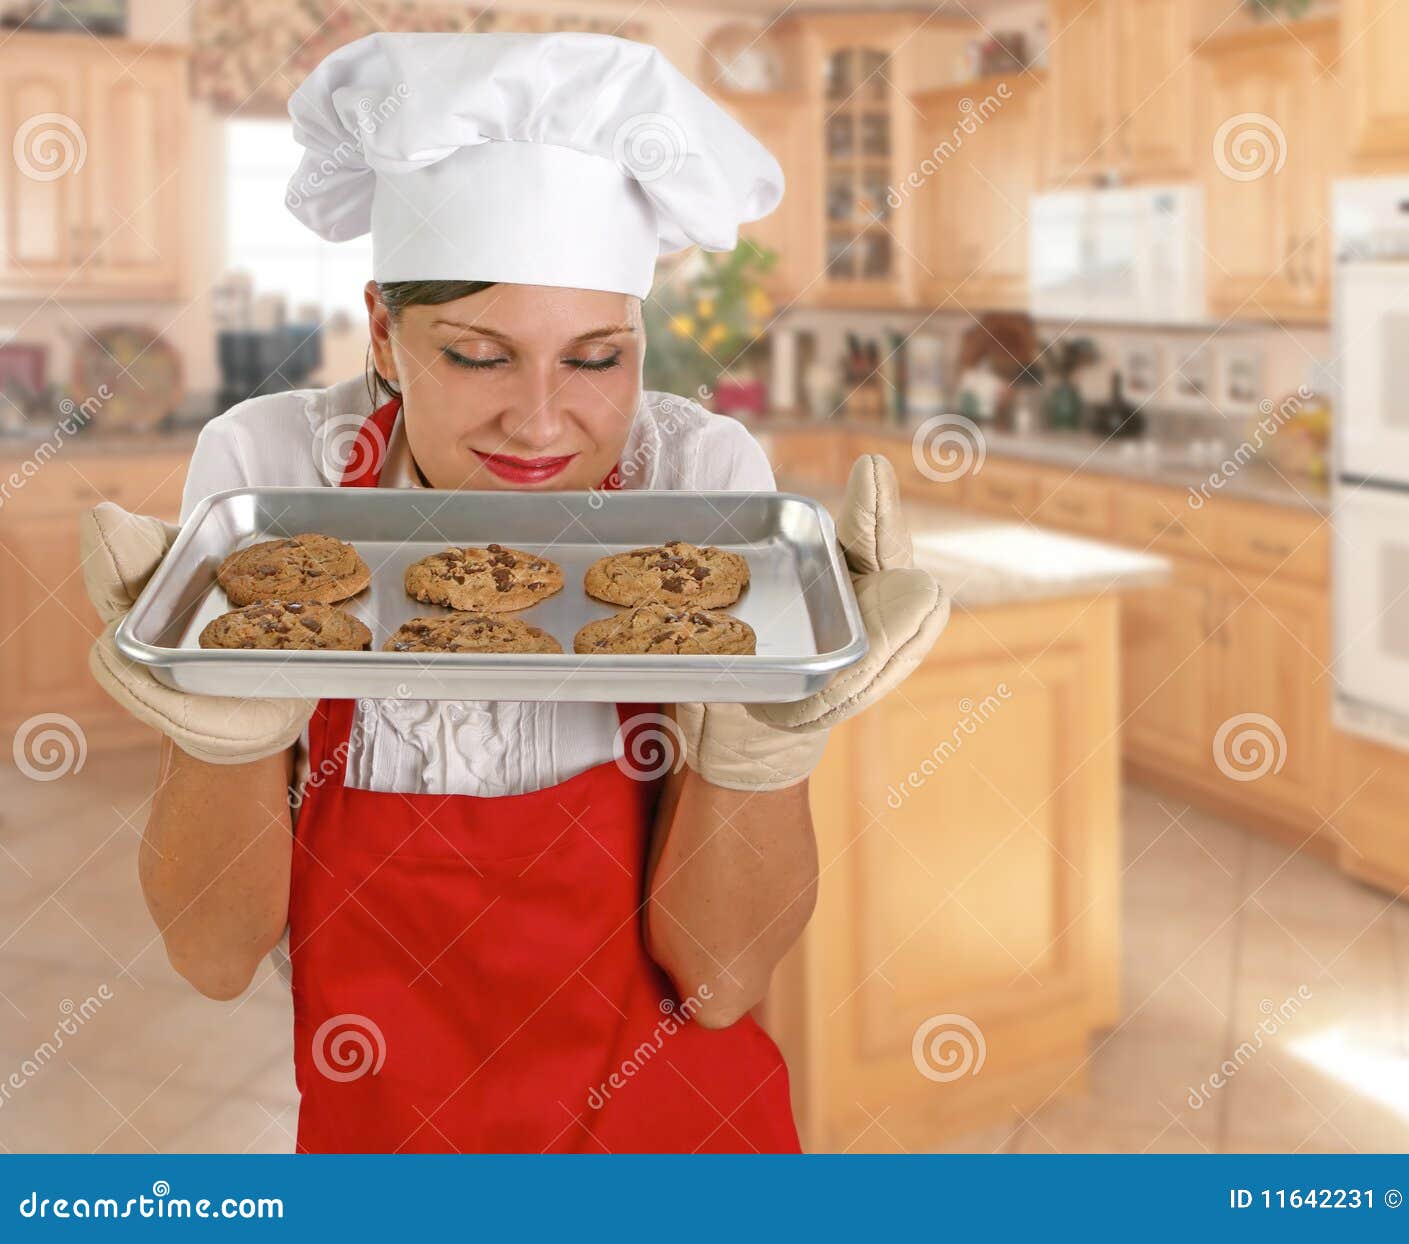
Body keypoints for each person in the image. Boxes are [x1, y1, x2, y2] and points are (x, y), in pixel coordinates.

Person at [78, 31, 948, 1154]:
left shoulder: (699, 485)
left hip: (676, 1144)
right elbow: (211, 952)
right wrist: (227, 732)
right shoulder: (278, 476)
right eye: (480, 356)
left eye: (594, 359)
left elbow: (723, 979)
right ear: (386, 332)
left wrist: (759, 747)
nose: (540, 422)